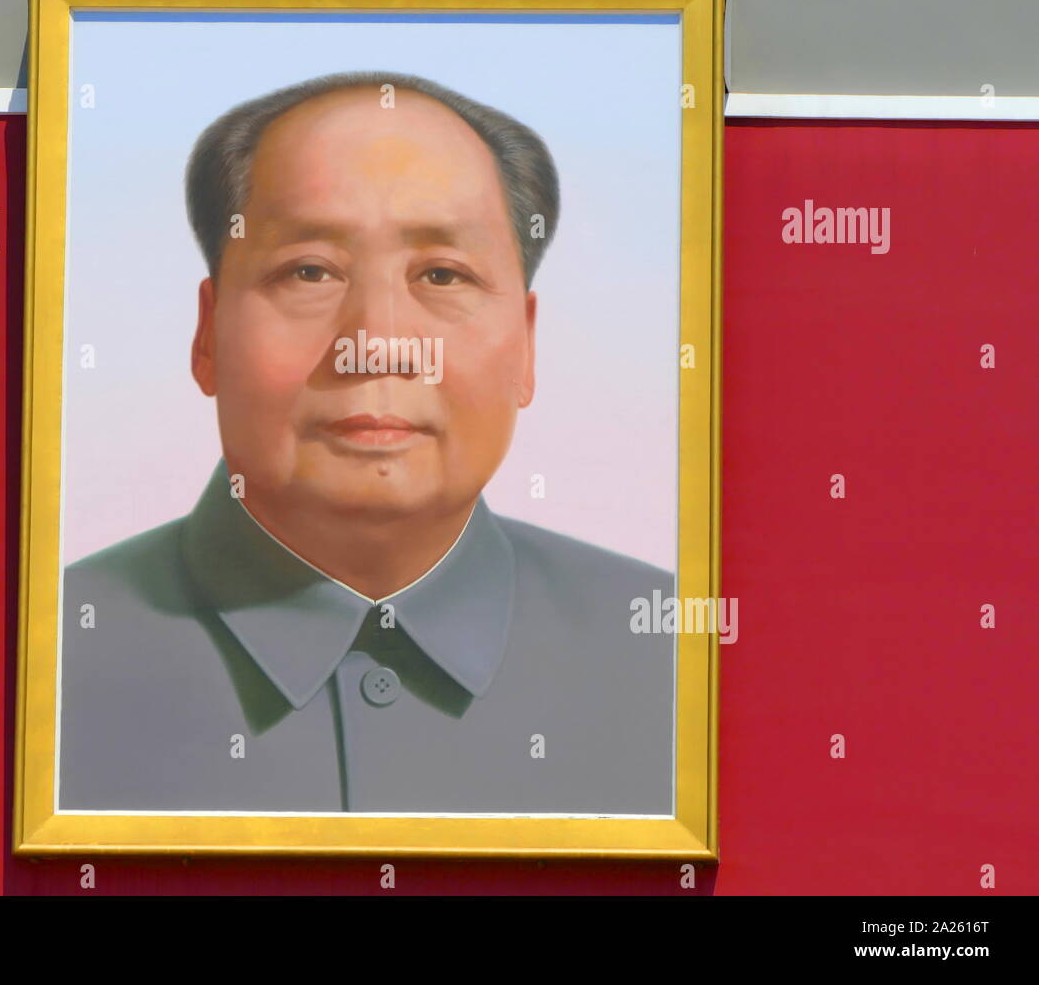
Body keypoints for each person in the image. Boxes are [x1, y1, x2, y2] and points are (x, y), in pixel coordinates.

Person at [59, 71, 675, 814]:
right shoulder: (44, 653)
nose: (377, 342)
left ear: (527, 347)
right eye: (310, 271)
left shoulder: (674, 658)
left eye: (443, 275)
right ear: (206, 334)